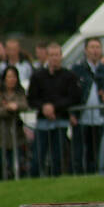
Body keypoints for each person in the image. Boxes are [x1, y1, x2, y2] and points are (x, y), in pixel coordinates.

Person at [27, 43, 79, 177]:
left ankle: (56, 181)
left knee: (58, 157)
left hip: (61, 121)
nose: (54, 58)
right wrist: (44, 107)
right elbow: (32, 99)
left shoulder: (69, 76)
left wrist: (54, 107)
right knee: (38, 157)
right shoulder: (38, 76)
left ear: (61, 56)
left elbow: (73, 98)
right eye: (51, 55)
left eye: (57, 55)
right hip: (42, 123)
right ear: (47, 57)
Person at [71, 37, 104, 175]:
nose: (95, 50)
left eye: (97, 47)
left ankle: (95, 174)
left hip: (100, 118)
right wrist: (72, 113)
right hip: (82, 117)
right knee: (81, 150)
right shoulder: (77, 69)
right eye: (92, 47)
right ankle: (80, 176)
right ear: (86, 50)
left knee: (97, 151)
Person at [0, 66, 29, 179]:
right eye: (9, 77)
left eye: (14, 77)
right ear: (4, 78)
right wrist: (7, 110)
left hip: (16, 135)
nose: (11, 79)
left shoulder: (19, 91)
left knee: (16, 164)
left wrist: (16, 106)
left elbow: (25, 104)